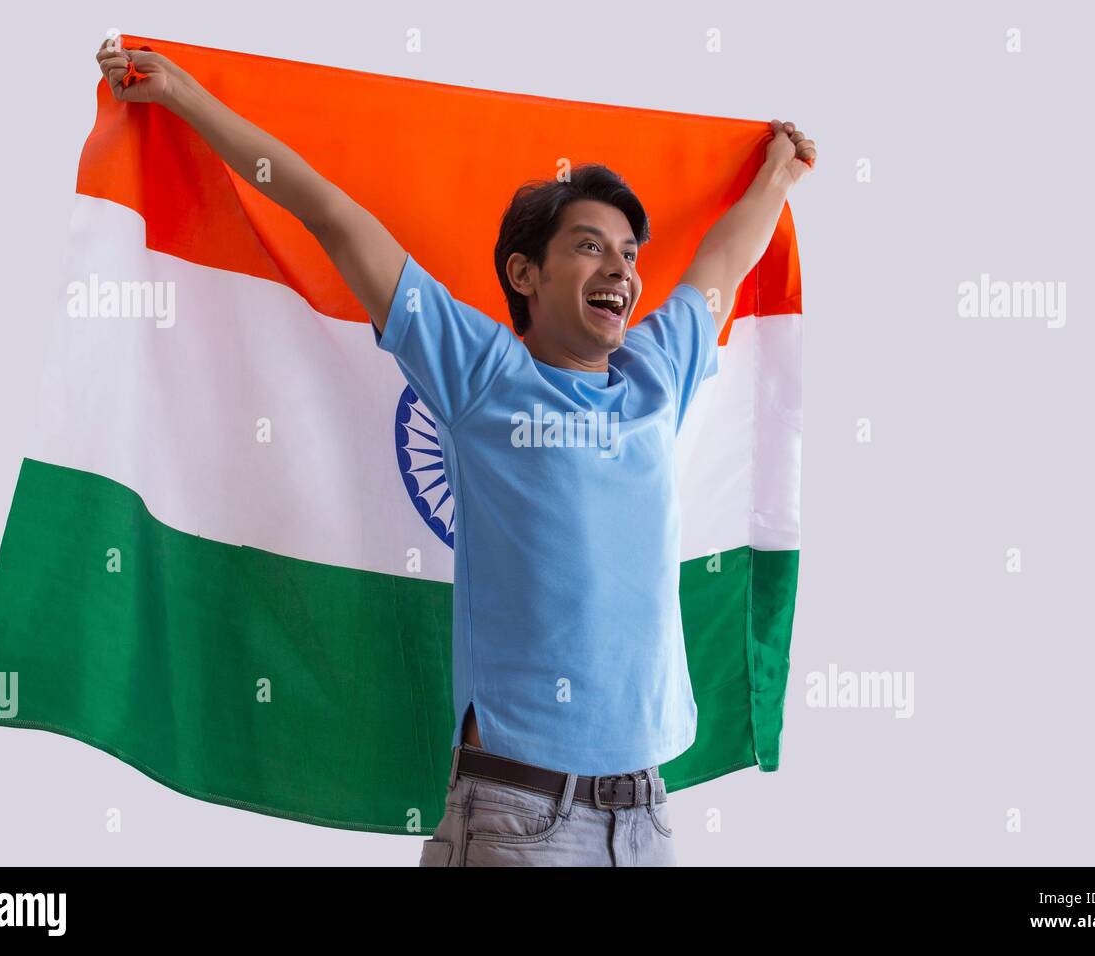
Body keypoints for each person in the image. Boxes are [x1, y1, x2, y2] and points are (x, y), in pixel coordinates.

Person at [95, 36, 816, 867]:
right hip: (520, 816)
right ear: (525, 273)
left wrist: (780, 172)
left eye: (628, 254)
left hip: (646, 818)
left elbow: (726, 256)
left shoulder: (660, 374)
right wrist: (183, 98)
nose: (619, 267)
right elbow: (332, 215)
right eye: (588, 245)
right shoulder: (483, 374)